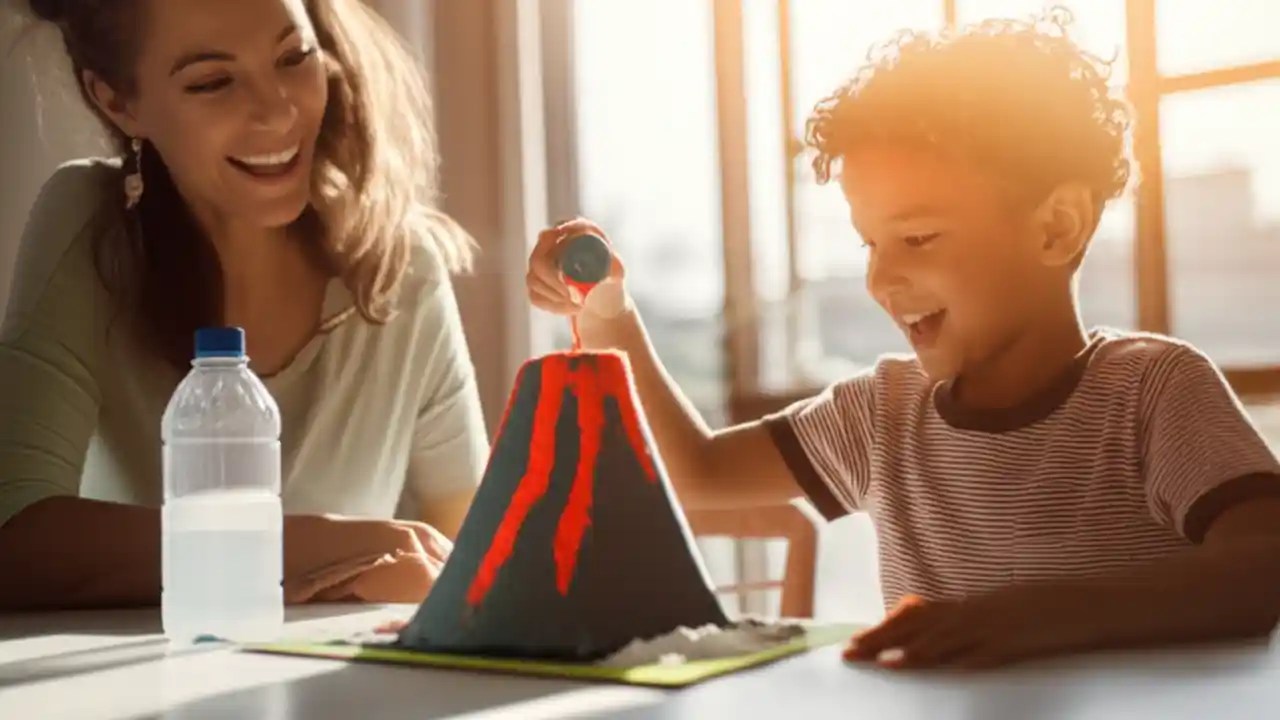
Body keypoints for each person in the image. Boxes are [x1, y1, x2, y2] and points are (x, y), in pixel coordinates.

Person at [527, 8, 1280, 669]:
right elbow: (698, 474)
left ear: (1056, 227)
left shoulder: (1153, 392)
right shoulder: (881, 415)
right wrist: (610, 315)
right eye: (870, 244)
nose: (881, 280)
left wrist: (1042, 618)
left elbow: (1263, 567)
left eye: (917, 237)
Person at [0, 0, 489, 610]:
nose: (278, 110)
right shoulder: (92, 229)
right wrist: (322, 546)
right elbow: (16, 538)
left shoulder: (403, 267)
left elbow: (474, 550)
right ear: (118, 103)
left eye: (294, 57)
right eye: (213, 81)